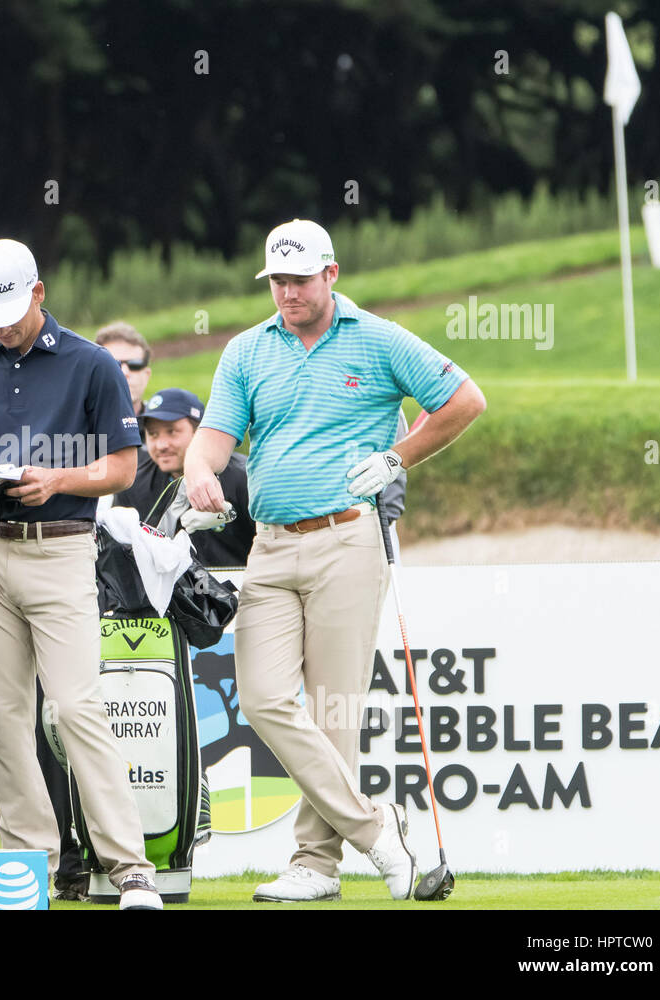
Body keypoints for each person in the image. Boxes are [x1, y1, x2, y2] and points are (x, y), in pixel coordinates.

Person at [184, 219, 486, 903]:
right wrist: (202, 470)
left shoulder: (377, 339)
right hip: (270, 544)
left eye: (298, 279)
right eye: (277, 282)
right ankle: (383, 835)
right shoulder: (246, 351)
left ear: (331, 274)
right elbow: (212, 440)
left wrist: (396, 457)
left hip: (348, 538)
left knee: (332, 710)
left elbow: (464, 399)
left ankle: (315, 865)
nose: (286, 293)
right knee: (262, 698)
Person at [0, 237, 163, 910]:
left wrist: (60, 479)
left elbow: (122, 466)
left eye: (8, 308)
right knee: (3, 719)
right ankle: (24, 864)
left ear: (38, 293)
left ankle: (129, 867)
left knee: (73, 708)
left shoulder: (91, 366)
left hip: (61, 549)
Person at [114, 387, 255, 568]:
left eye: (172, 431)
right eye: (153, 434)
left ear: (199, 433)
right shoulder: (134, 483)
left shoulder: (243, 477)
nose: (161, 445)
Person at [94, 322, 152, 418]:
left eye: (135, 365)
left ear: (147, 375)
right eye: (113, 365)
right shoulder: (74, 427)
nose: (124, 372)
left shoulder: (167, 425)